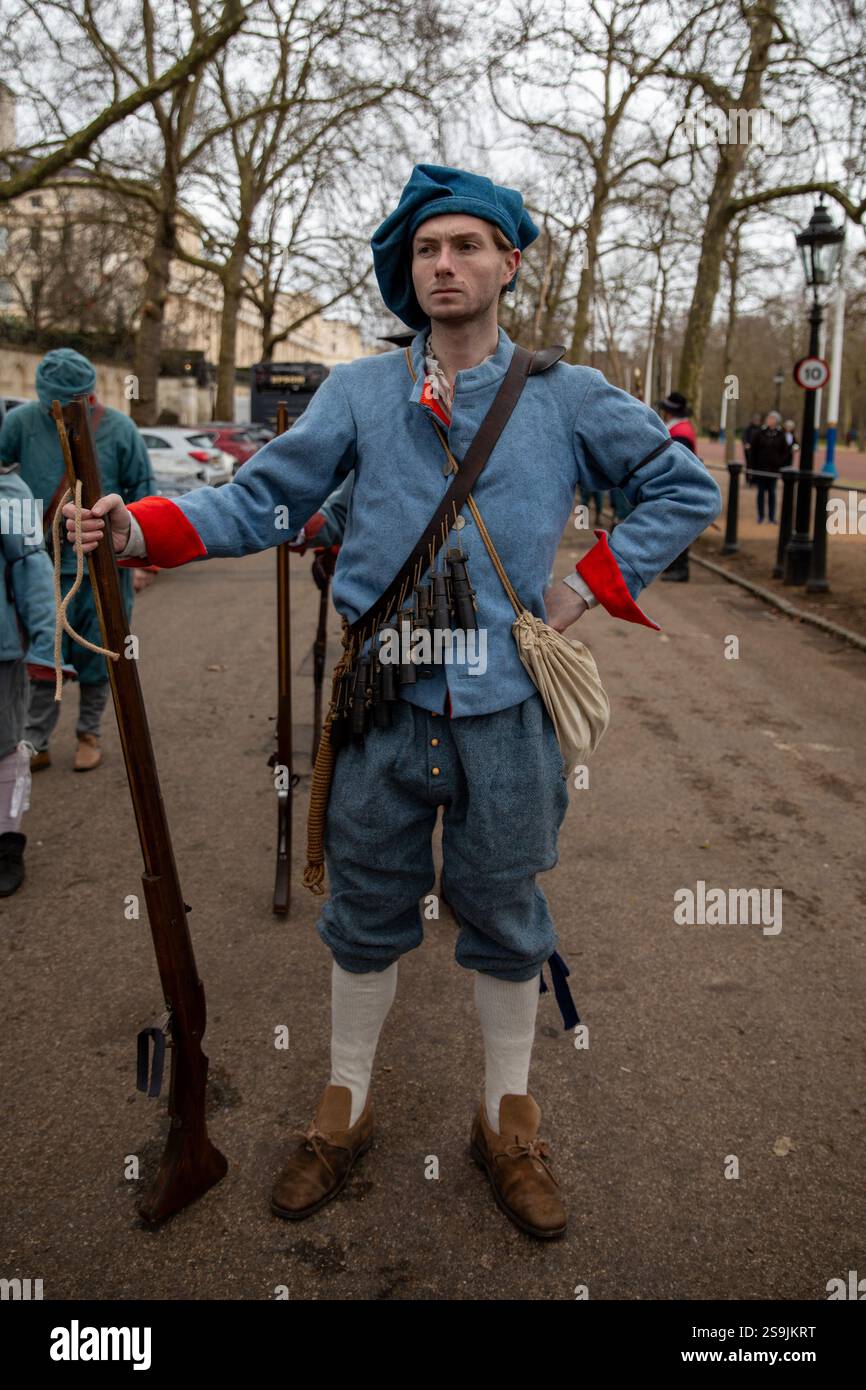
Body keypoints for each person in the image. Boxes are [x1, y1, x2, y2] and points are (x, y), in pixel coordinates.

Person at [63, 163, 722, 1239]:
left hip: (507, 711)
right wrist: (139, 530)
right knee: (362, 917)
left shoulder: (562, 393)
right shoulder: (361, 393)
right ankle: (346, 1105)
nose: (444, 264)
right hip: (380, 710)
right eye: (426, 249)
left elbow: (679, 489)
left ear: (509, 263)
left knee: (507, 919)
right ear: (406, 271)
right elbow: (262, 500)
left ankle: (506, 1118)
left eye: (466, 245)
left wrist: (579, 592)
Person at [0, 348, 158, 773]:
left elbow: (145, 492)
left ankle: (89, 732)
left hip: (101, 566)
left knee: (101, 655)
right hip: (35, 565)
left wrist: (141, 559)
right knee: (40, 655)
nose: (63, 409)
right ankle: (34, 739)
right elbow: (4, 485)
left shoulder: (120, 429)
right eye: (54, 401)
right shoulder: (18, 424)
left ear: (89, 395)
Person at [0, 468, 77, 894]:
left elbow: (32, 571)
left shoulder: (9, 492)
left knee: (3, 743)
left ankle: (6, 842)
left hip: (1, 652)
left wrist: (47, 646)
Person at [656, 391, 700, 582]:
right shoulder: (678, 428)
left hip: (679, 485)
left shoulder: (680, 432)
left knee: (679, 527)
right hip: (676, 484)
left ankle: (681, 569)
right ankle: (674, 565)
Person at [749, 410, 791, 525]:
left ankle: (772, 517)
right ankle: (761, 516)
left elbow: (785, 451)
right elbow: (754, 450)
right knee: (761, 492)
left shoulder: (780, 435)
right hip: (761, 468)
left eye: (772, 419)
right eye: (769, 418)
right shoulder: (760, 433)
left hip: (773, 470)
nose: (770, 421)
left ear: (777, 421)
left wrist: (779, 462)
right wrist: (753, 465)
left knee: (772, 493)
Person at [742, 411, 763, 485]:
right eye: (755, 420)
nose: (756, 421)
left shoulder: (761, 429)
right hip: (749, 450)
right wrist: (746, 444)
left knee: (756, 466)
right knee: (748, 465)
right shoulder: (748, 428)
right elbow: (744, 437)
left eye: (757, 420)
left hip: (757, 451)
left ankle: (754, 480)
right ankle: (748, 480)